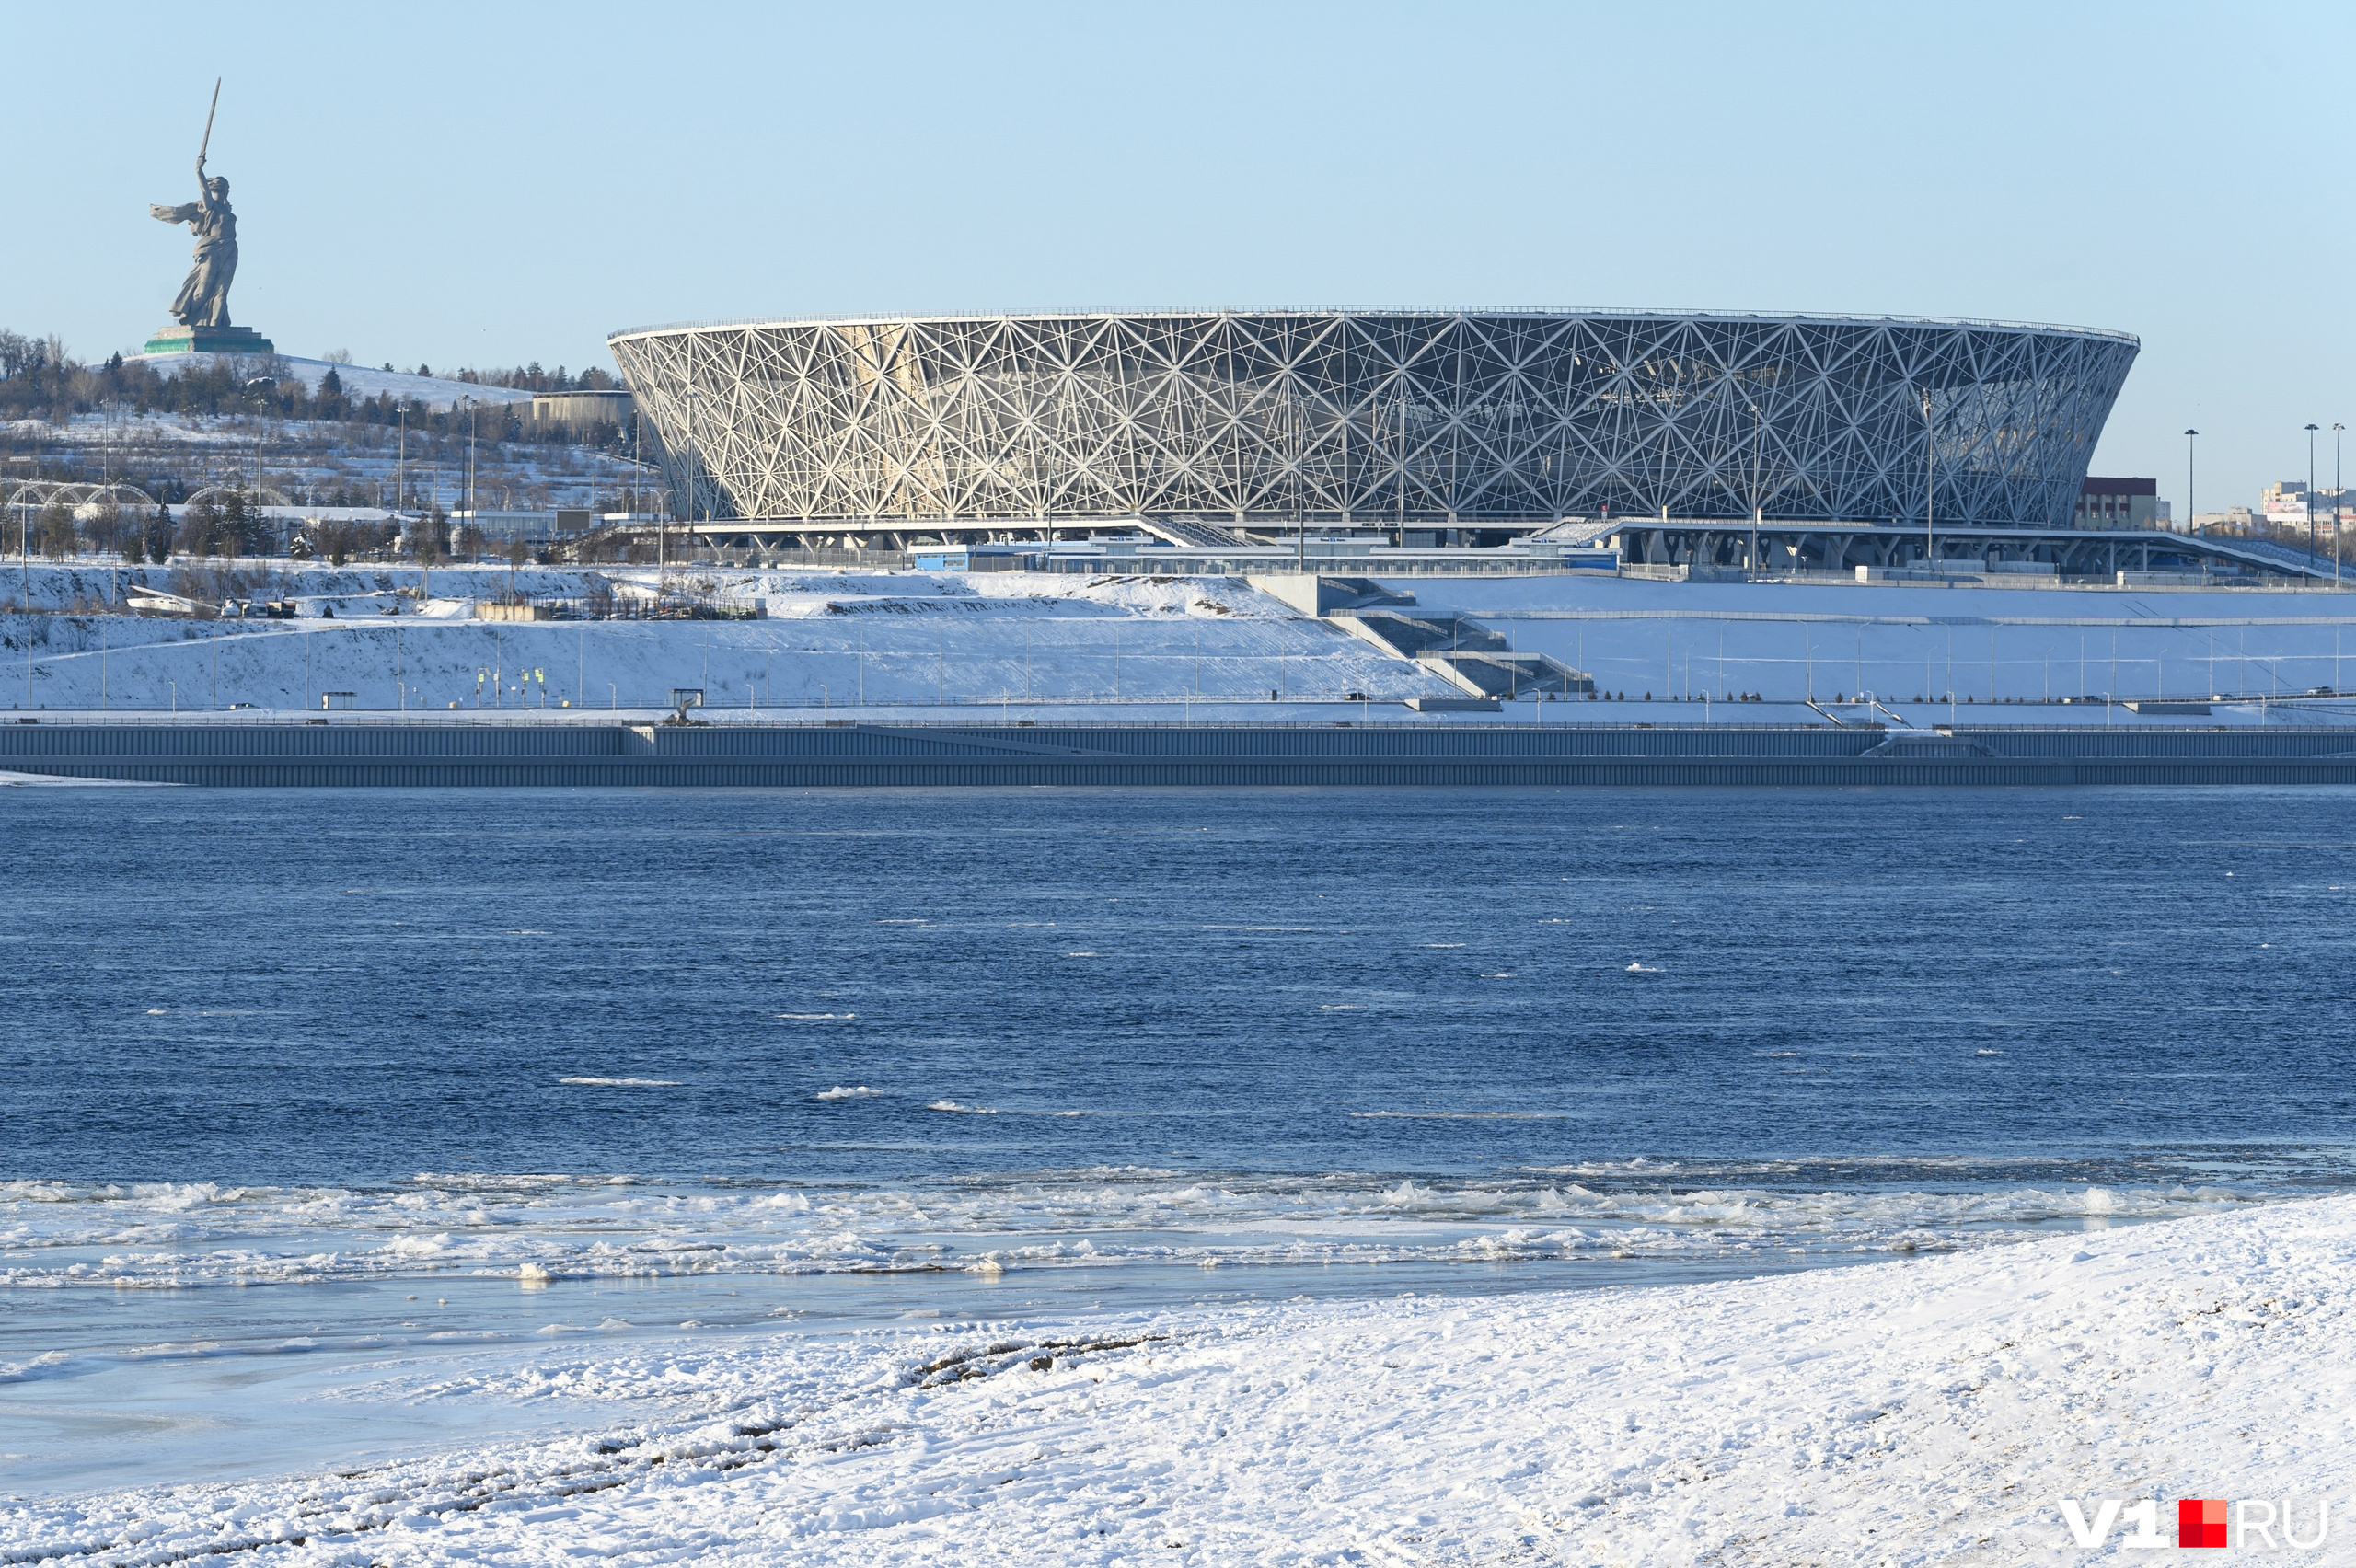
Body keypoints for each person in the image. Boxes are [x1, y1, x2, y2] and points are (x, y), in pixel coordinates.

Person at [149, 155, 239, 328]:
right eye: (226, 187)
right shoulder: (210, 207)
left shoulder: (227, 209)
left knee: (222, 291)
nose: (227, 190)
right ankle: (189, 313)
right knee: (203, 289)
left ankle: (215, 326)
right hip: (212, 249)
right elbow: (204, 192)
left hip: (230, 250)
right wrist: (198, 170)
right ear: (221, 189)